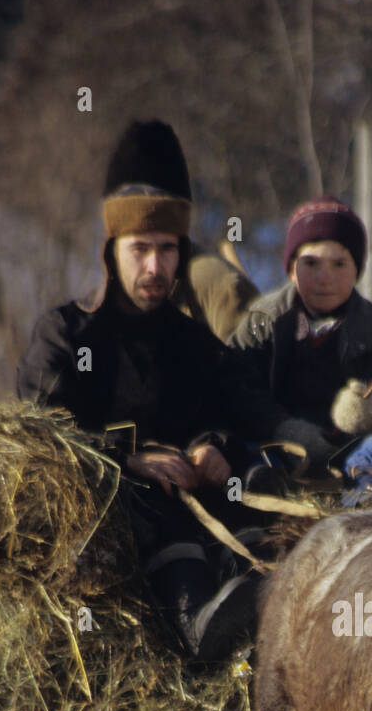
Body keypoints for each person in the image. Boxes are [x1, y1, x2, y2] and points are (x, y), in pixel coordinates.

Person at [17, 120, 267, 662]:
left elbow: (228, 412)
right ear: (112, 250)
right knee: (151, 502)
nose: (155, 266)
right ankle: (196, 620)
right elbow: (43, 434)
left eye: (168, 249)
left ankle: (258, 590)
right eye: (140, 249)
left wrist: (212, 445)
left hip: (196, 502)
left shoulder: (191, 340)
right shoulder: (64, 333)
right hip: (110, 512)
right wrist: (131, 461)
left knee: (248, 490)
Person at [232, 196, 372, 507]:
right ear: (291, 269)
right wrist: (283, 427)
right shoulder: (263, 321)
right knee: (248, 448)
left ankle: (366, 487)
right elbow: (236, 387)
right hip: (279, 442)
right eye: (310, 263)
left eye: (339, 264)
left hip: (351, 446)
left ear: (357, 270)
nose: (325, 278)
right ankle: (268, 483)